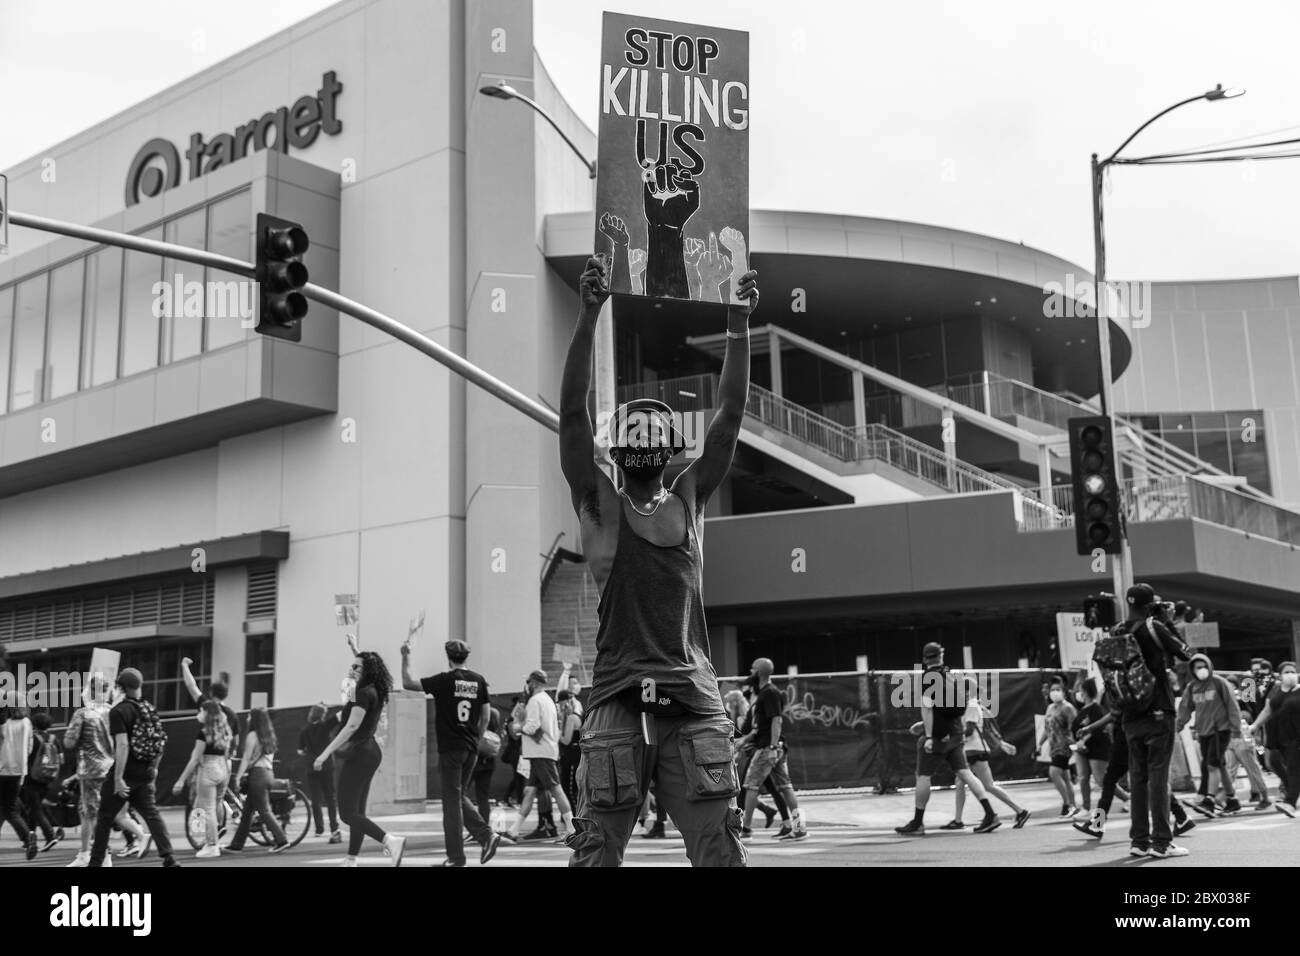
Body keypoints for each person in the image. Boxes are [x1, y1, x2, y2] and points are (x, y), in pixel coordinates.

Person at [559, 254, 758, 868]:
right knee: (602, 856)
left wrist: (738, 322)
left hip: (679, 705)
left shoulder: (669, 498)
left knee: (714, 854)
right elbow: (570, 416)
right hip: (629, 702)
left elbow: (728, 415)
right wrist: (589, 313)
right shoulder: (611, 501)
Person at [400, 638, 501, 867]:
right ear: (466, 656)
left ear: (448, 657)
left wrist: (405, 656)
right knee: (459, 796)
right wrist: (476, 739)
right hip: (471, 748)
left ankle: (461, 854)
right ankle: (485, 837)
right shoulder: (479, 681)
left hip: (450, 750)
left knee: (451, 804)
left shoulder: (443, 681)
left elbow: (408, 683)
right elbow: (485, 716)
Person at [1111, 583, 1192, 858]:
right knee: (1159, 778)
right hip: (1158, 710)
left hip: (1129, 715)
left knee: (1138, 779)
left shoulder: (1117, 630)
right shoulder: (1154, 626)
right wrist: (1167, 621)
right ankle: (1161, 842)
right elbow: (1186, 653)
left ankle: (1139, 841)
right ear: (1149, 604)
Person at [895, 643, 1001, 835]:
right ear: (941, 657)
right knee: (965, 773)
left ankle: (918, 822)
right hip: (956, 734)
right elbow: (956, 709)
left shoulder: (928, 678)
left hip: (938, 735)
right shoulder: (951, 676)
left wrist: (928, 735)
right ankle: (990, 814)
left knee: (923, 776)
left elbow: (927, 708)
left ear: (926, 659)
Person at [314, 650, 406, 866]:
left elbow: (351, 726)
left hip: (360, 754)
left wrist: (324, 753)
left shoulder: (361, 692)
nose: (351, 669)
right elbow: (369, 666)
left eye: (356, 667)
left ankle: (390, 841)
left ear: (368, 671)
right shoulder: (377, 688)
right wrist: (356, 650)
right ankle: (351, 858)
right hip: (370, 752)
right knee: (358, 812)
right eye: (352, 665)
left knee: (346, 814)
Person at [87, 668, 179, 868]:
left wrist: (119, 778)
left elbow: (122, 745)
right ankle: (169, 858)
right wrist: (153, 768)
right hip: (145, 771)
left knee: (104, 817)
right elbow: (160, 741)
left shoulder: (119, 711)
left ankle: (95, 862)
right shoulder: (149, 708)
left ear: (120, 687)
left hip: (126, 771)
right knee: (152, 814)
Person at [62, 678, 144, 867]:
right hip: (110, 766)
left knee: (93, 814)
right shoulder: (113, 712)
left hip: (90, 770)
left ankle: (103, 854)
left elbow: (69, 742)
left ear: (89, 692)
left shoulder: (82, 714)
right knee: (90, 811)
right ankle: (84, 853)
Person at [735, 659, 807, 840]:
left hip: (768, 748)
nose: (750, 672)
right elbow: (761, 726)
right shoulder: (765, 694)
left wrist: (773, 746)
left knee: (751, 786)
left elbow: (777, 720)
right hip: (773, 747)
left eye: (752, 669)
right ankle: (799, 829)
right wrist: (746, 739)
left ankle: (747, 830)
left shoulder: (769, 693)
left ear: (759, 672)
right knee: (785, 786)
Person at [945, 687, 1030, 829]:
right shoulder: (970, 706)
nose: (959, 694)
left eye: (962, 691)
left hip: (974, 750)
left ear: (969, 692)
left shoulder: (972, 706)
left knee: (986, 785)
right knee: (962, 783)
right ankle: (958, 820)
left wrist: (952, 735)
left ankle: (1020, 811)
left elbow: (970, 730)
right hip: (972, 750)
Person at [504, 670, 573, 843]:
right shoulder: (547, 699)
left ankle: (572, 829)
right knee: (530, 791)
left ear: (533, 683)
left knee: (556, 789)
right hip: (543, 751)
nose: (526, 685)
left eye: (528, 682)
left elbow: (532, 727)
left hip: (541, 752)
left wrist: (518, 726)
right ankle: (513, 830)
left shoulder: (535, 701)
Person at [1177, 652, 1244, 816]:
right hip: (1203, 731)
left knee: (1211, 765)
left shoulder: (1219, 683)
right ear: (1192, 670)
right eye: (1198, 667)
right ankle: (1232, 799)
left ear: (1209, 666)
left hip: (1220, 730)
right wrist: (1177, 727)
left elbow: (1232, 706)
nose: (1201, 670)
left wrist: (1236, 730)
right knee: (1219, 765)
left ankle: (1209, 800)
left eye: (1204, 666)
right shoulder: (1192, 687)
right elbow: (1185, 709)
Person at [181, 658, 241, 838]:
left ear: (211, 692)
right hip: (225, 762)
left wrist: (184, 666)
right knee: (218, 800)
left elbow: (191, 686)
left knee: (201, 799)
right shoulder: (232, 714)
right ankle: (218, 828)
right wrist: (229, 755)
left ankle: (203, 835)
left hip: (208, 762)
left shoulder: (208, 707)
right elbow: (236, 740)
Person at [223, 706, 290, 854]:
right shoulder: (269, 735)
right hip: (268, 773)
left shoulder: (252, 735)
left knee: (264, 811)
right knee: (247, 813)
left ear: (254, 719)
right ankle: (236, 845)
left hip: (257, 776)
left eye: (249, 716)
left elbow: (246, 758)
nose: (247, 719)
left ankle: (282, 840)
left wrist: (238, 777)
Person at [171, 700, 232, 858]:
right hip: (223, 769)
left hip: (208, 769)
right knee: (216, 804)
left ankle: (212, 845)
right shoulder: (225, 731)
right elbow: (227, 754)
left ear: (207, 713)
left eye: (201, 711)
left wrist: (180, 780)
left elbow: (195, 759)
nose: (199, 714)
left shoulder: (203, 734)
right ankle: (213, 837)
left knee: (207, 809)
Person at [1248, 660, 1300, 817]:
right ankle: (1291, 787)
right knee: (1272, 762)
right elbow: (1265, 708)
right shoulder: (1270, 688)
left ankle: (1290, 800)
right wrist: (1255, 725)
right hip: (1274, 734)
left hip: (1296, 736)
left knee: (1293, 767)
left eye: (1292, 671)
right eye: (1286, 672)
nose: (1259, 673)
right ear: (1280, 675)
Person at [298, 703, 342, 842]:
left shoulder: (304, 730)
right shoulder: (326, 725)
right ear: (322, 714)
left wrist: (309, 752)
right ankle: (334, 827)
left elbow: (300, 751)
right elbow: (341, 715)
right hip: (327, 765)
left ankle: (319, 829)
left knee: (315, 799)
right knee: (330, 798)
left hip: (312, 767)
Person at [0, 698, 37, 861]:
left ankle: (28, 839)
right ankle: (28, 840)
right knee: (8, 807)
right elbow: (29, 748)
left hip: (1, 770)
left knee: (8, 809)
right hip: (18, 771)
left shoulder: (3, 723)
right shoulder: (27, 723)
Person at [23, 711, 63, 852]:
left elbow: (25, 756)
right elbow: (61, 759)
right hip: (48, 779)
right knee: (35, 807)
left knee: (35, 809)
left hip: (31, 778)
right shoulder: (54, 738)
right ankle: (30, 838)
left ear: (34, 724)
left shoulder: (32, 738)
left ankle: (50, 836)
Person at [1037, 677, 1078, 818]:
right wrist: (1040, 744)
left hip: (1065, 746)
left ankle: (1067, 804)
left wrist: (1075, 744)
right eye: (1052, 690)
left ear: (1064, 692)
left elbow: (1075, 727)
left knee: (1054, 773)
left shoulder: (1068, 708)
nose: (1055, 692)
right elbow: (1047, 728)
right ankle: (1073, 805)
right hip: (1053, 747)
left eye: (1058, 689)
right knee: (1065, 777)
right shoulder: (1050, 708)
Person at [1069, 678, 1110, 817]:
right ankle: (1091, 815)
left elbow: (1099, 727)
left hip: (1097, 749)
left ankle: (1098, 823)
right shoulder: (1081, 710)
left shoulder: (1097, 709)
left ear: (1085, 691)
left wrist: (1085, 738)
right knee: (1083, 777)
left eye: (1080, 690)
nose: (1078, 693)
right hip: (1082, 750)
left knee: (1102, 781)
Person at [471, 704, 503, 826]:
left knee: (461, 795)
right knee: (483, 797)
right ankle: (484, 826)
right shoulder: (495, 713)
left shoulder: (480, 714)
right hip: (489, 761)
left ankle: (474, 825)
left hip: (476, 760)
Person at [557, 690, 583, 811]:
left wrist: (555, 733)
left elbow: (566, 740)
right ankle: (571, 816)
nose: (560, 708)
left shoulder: (572, 717)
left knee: (571, 789)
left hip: (573, 757)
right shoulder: (568, 717)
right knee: (566, 787)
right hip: (569, 756)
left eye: (561, 704)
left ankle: (576, 817)